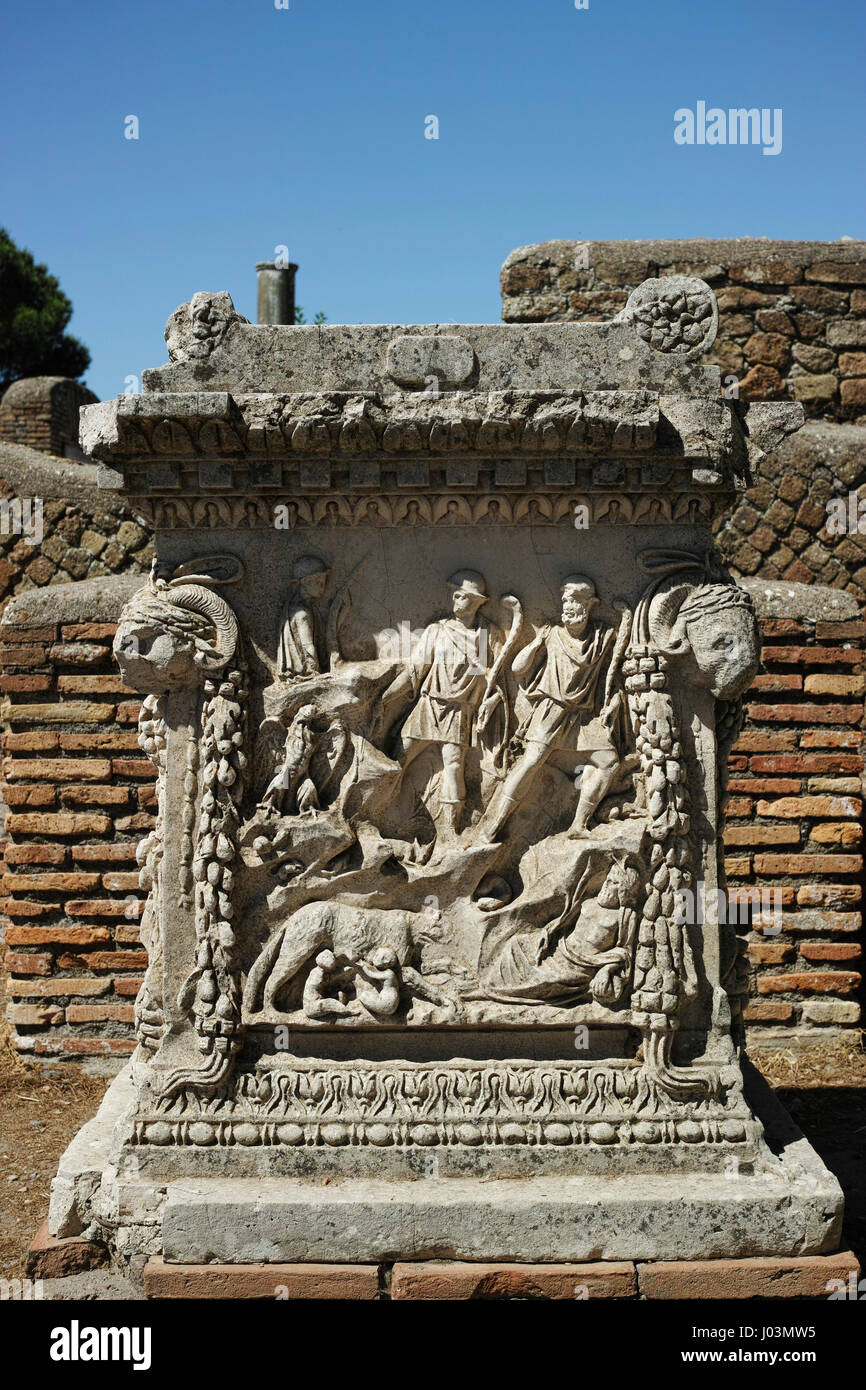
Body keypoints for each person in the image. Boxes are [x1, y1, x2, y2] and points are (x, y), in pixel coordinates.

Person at [477, 576, 627, 842]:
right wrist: (536, 643)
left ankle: (578, 825)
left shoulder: (603, 637)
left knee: (608, 762)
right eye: (565, 601)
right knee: (530, 763)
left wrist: (615, 700)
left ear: (589, 605)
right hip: (551, 711)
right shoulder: (552, 634)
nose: (568, 606)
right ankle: (492, 826)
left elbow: (615, 672)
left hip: (583, 716)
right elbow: (517, 668)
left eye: (575, 601)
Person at [380, 571, 503, 841]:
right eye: (455, 595)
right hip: (430, 704)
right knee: (399, 754)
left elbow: (492, 676)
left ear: (478, 602)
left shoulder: (486, 635)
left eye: (464, 597)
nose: (457, 600)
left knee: (454, 765)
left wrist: (490, 700)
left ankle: (451, 831)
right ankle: (380, 812)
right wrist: (385, 698)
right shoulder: (438, 630)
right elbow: (416, 670)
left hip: (461, 709)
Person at [277, 555, 330, 677]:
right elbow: (308, 646)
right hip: (306, 672)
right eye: (320, 582)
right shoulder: (302, 613)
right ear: (306, 582)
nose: (324, 587)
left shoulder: (292, 605)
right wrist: (315, 671)